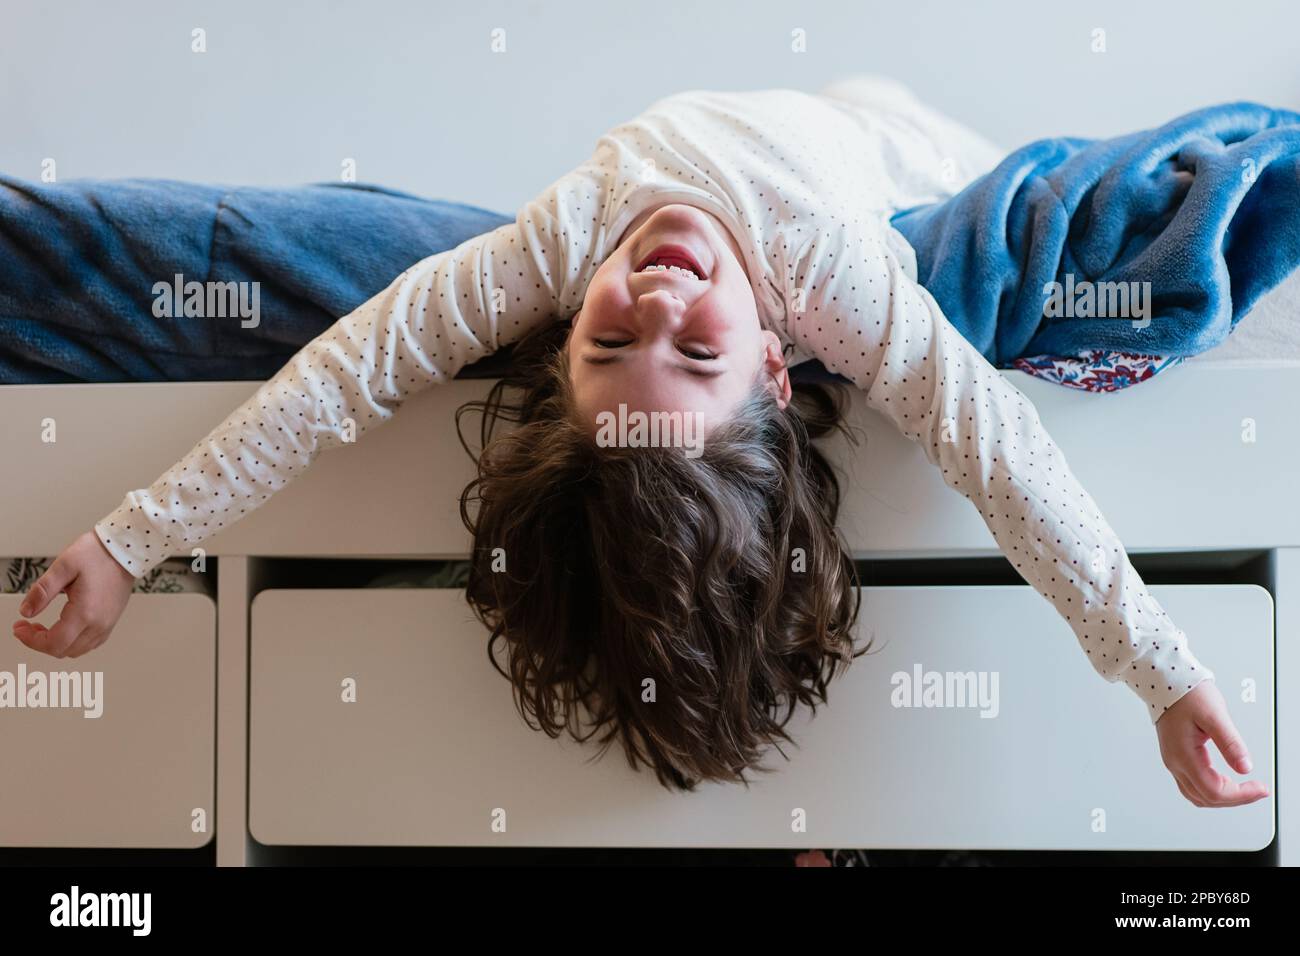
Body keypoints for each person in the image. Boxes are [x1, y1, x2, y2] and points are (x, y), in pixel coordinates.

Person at [12, 75, 1267, 809]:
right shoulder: (825, 282)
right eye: (692, 353)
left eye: (609, 350)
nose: (655, 303)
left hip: (901, 145)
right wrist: (1161, 671)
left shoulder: (561, 251)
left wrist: (132, 537)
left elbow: (344, 374)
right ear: (780, 364)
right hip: (864, 141)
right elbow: (997, 454)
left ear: (555, 347)